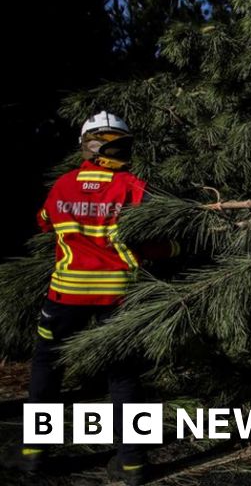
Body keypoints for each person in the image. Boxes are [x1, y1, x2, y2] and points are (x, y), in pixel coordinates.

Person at [20, 112, 174, 484]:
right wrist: (173, 248)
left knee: (47, 369)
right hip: (116, 297)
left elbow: (44, 222)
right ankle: (134, 463)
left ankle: (33, 457)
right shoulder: (133, 186)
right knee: (123, 377)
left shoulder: (63, 185)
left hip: (65, 295)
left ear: (86, 145)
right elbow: (151, 237)